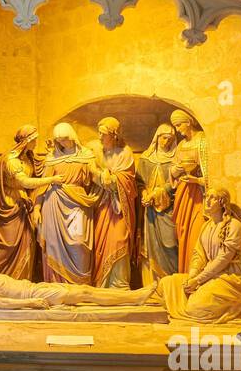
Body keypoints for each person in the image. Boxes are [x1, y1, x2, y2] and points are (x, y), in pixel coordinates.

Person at [144, 187, 241, 324]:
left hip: (229, 278)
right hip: (207, 276)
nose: (207, 201)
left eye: (212, 198)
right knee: (167, 283)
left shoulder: (234, 226)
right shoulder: (207, 226)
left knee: (195, 308)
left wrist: (197, 281)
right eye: (206, 196)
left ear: (222, 202)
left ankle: (188, 308)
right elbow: (198, 255)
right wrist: (192, 277)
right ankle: (132, 299)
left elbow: (223, 260)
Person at [0, 254, 161, 310]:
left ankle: (133, 297)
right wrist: (31, 303)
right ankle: (134, 298)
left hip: (34, 288)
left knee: (85, 291)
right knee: (85, 293)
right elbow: (0, 303)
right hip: (33, 295)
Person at [0, 124, 57, 279]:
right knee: (8, 244)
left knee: (25, 242)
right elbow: (26, 182)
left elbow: (40, 169)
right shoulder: (11, 160)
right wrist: (53, 179)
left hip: (22, 204)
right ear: (26, 141)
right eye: (34, 140)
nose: (36, 143)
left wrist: (51, 153)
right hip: (9, 203)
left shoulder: (28, 156)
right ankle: (4, 279)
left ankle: (22, 279)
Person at [35, 122, 100, 284]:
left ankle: (80, 286)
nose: (62, 143)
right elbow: (42, 185)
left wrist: (109, 179)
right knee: (53, 245)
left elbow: (95, 176)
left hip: (77, 202)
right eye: (59, 140)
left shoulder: (86, 155)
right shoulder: (52, 158)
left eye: (65, 139)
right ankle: (58, 285)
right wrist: (37, 208)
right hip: (54, 202)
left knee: (79, 243)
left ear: (72, 137)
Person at [88, 116, 136, 288]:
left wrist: (108, 177)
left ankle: (120, 284)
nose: (100, 137)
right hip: (101, 205)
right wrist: (100, 175)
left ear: (114, 135)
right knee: (100, 242)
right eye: (99, 133)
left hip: (119, 207)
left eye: (104, 134)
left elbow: (128, 180)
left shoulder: (125, 153)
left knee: (118, 240)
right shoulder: (96, 152)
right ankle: (102, 283)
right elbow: (88, 173)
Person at [137, 122, 180, 284]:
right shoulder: (146, 158)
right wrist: (145, 194)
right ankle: (153, 284)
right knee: (151, 246)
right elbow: (139, 181)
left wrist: (158, 193)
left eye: (170, 139)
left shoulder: (176, 158)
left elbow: (177, 182)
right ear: (157, 137)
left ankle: (171, 282)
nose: (166, 142)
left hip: (169, 208)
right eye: (163, 138)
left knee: (170, 243)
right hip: (150, 211)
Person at [169, 109, 209, 276]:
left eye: (179, 125)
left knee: (196, 233)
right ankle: (185, 274)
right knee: (183, 232)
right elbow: (172, 170)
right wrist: (175, 170)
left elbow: (210, 173)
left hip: (198, 194)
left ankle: (197, 275)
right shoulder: (181, 145)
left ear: (188, 122)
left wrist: (197, 180)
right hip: (183, 192)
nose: (178, 130)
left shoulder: (202, 141)